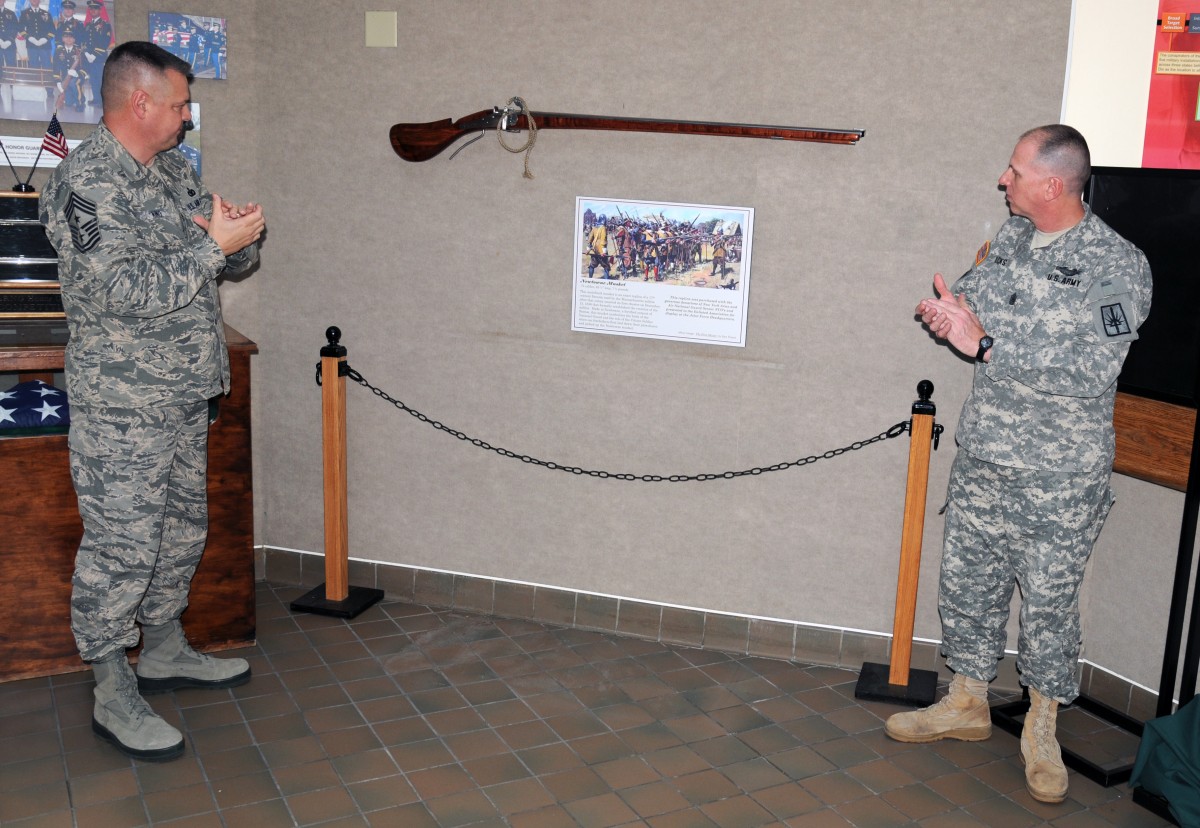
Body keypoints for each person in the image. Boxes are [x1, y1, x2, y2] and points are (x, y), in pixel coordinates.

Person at [885, 125, 1152, 804]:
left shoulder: (1117, 265)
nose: (1003, 181)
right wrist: (952, 313)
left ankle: (1041, 726)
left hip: (1059, 475)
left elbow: (1094, 372)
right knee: (969, 584)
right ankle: (968, 701)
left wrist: (988, 347)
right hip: (986, 456)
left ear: (1052, 184)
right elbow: (977, 310)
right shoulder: (1008, 239)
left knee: (1050, 605)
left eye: (1013, 171)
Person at [39, 40, 266, 762]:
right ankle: (110, 681)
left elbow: (218, 253)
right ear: (139, 103)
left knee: (179, 532)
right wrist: (210, 252)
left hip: (181, 393)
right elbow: (119, 292)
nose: (186, 118)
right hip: (122, 407)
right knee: (121, 547)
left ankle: (164, 649)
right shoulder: (84, 185)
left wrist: (240, 239)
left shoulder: (169, 172)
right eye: (178, 105)